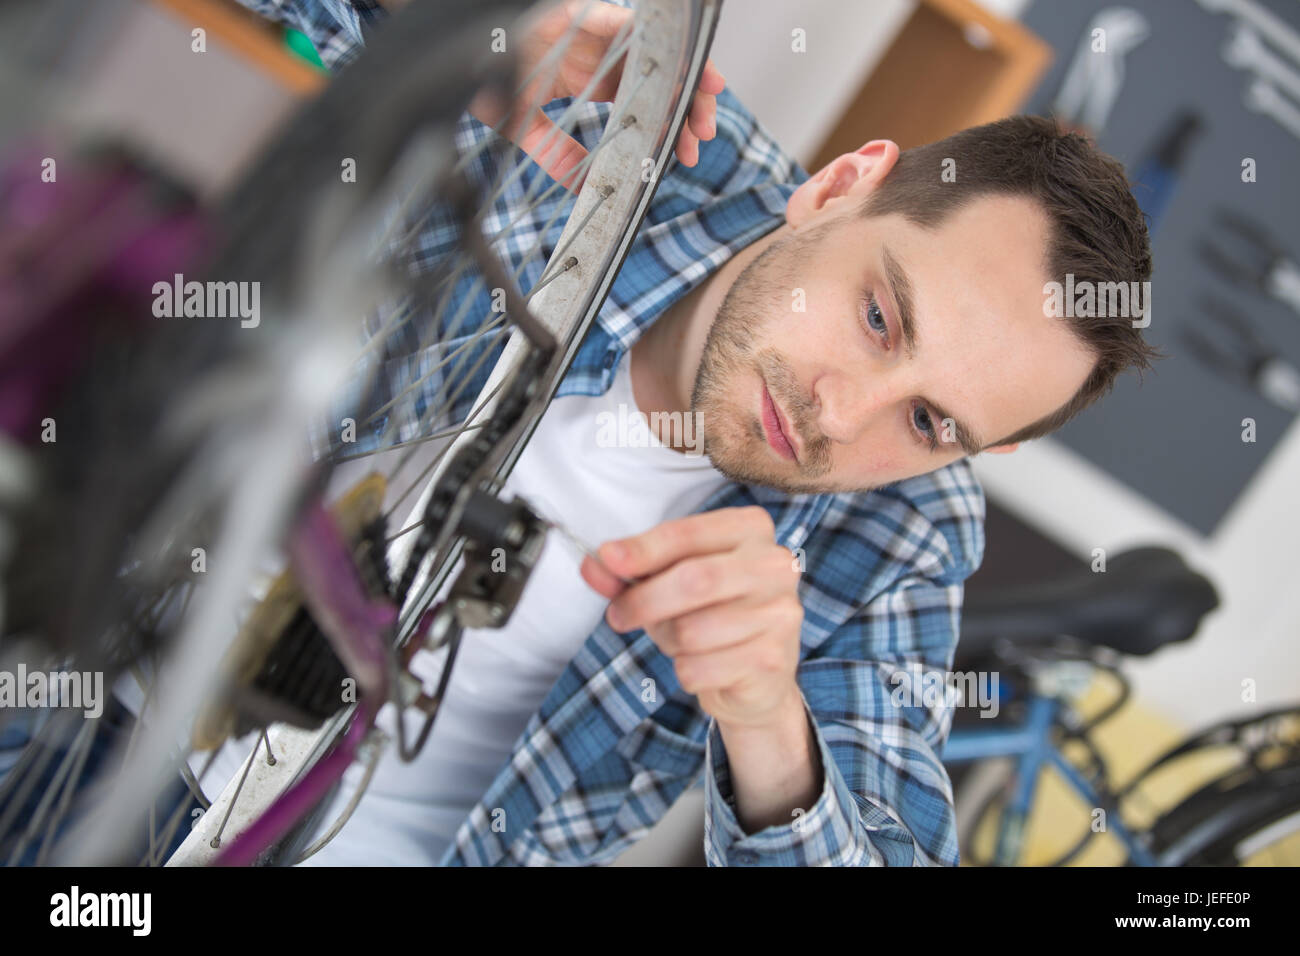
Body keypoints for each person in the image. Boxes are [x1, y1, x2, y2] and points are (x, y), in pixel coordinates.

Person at [230, 0, 1157, 866]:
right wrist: (447, 40)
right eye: (879, 317)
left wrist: (768, 725)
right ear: (841, 186)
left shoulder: (908, 529)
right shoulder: (621, 132)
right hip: (109, 656)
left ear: (984, 451)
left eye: (926, 422)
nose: (835, 414)